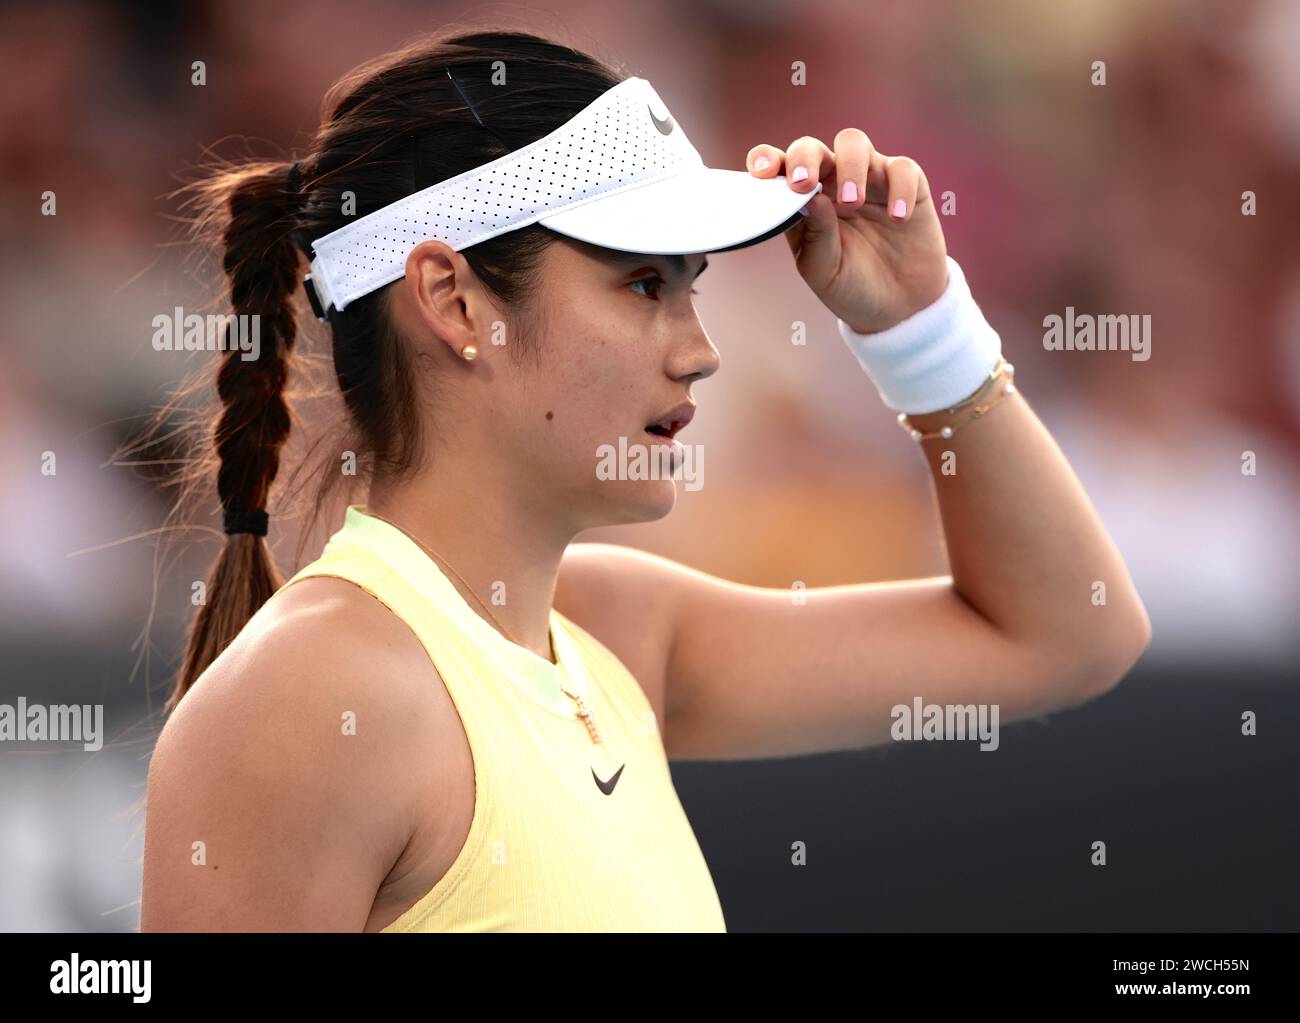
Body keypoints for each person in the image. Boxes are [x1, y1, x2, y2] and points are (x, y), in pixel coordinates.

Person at [139, 27, 1150, 932]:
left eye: (688, 285)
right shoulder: (314, 694)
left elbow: (1068, 631)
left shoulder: (612, 630)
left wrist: (920, 327)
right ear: (451, 301)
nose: (700, 351)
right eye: (641, 284)